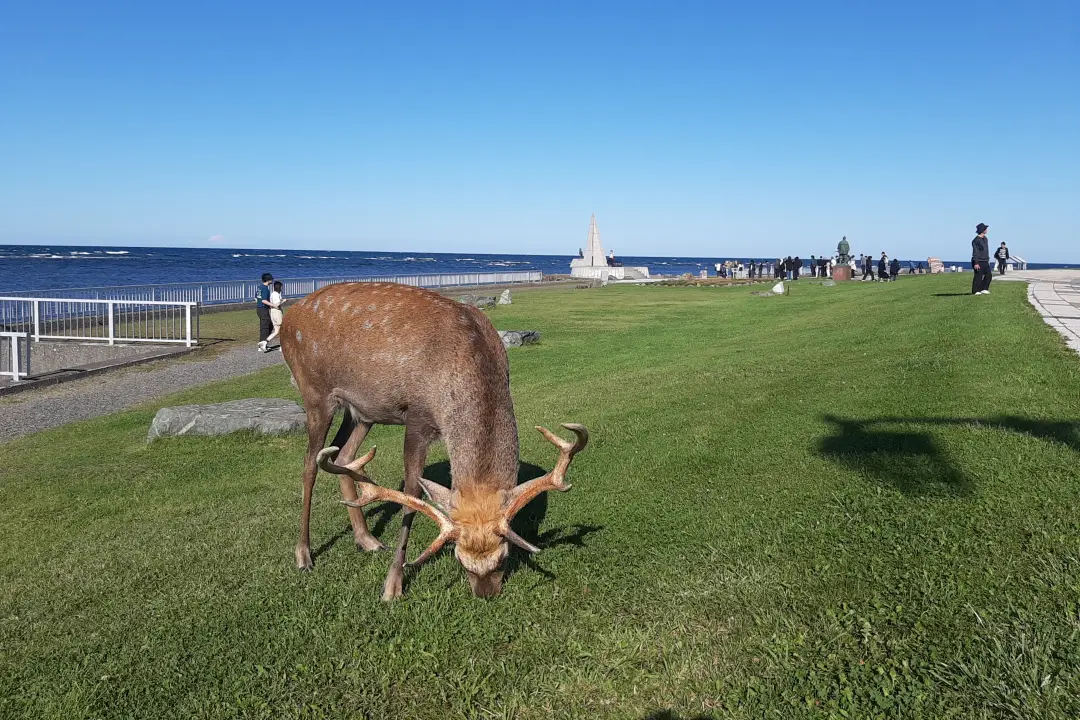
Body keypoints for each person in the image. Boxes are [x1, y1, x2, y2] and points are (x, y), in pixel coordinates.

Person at [255, 272, 275, 352]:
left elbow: (256, 298)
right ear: (268, 280)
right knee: (265, 327)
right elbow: (264, 300)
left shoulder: (260, 287)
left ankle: (263, 343)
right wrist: (273, 305)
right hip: (263, 309)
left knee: (266, 326)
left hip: (259, 309)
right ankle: (262, 345)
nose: (273, 280)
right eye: (271, 279)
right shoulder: (265, 289)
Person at [972, 223, 992, 295]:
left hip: (985, 260)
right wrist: (976, 263)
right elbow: (975, 252)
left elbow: (986, 250)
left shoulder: (985, 239)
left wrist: (988, 259)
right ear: (982, 230)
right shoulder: (976, 240)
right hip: (978, 260)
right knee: (978, 276)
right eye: (985, 228)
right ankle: (975, 290)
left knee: (989, 275)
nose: (987, 230)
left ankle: (984, 288)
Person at [265, 280, 285, 347]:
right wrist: (283, 301)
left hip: (272, 312)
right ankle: (282, 345)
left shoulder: (272, 294)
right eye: (281, 287)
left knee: (276, 331)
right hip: (277, 312)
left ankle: (265, 341)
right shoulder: (276, 294)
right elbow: (277, 304)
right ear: (279, 287)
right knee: (282, 329)